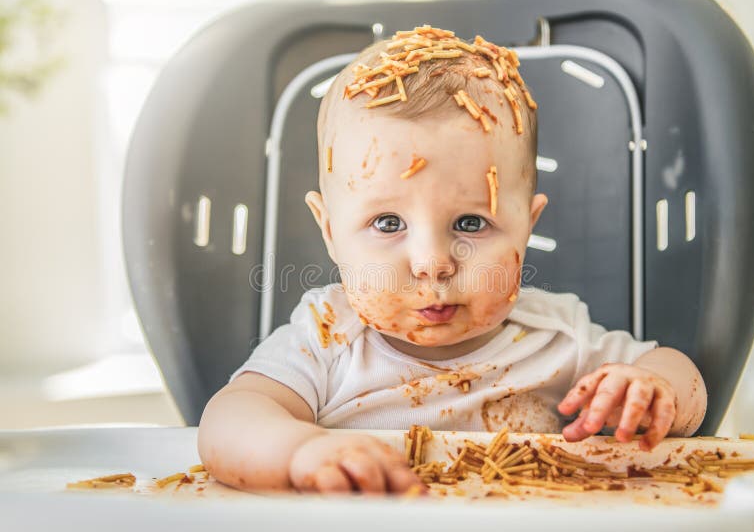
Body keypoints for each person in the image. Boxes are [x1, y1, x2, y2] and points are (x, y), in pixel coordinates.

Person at [198, 26, 707, 495]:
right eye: (388, 223)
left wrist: (655, 389)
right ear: (330, 232)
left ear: (528, 226)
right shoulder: (327, 339)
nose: (433, 264)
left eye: (469, 223)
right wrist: (300, 451)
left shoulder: (557, 338)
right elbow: (230, 419)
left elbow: (684, 379)